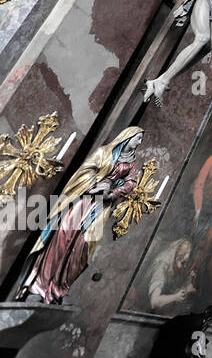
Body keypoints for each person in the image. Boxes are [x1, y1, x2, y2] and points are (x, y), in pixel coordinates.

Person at [19, 127, 144, 303]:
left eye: (140, 140)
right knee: (62, 236)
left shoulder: (131, 162)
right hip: (83, 200)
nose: (139, 143)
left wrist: (113, 193)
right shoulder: (104, 152)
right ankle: (39, 285)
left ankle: (60, 288)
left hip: (101, 206)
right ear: (127, 137)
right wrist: (97, 185)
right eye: (137, 138)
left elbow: (131, 183)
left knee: (84, 245)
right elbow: (86, 170)